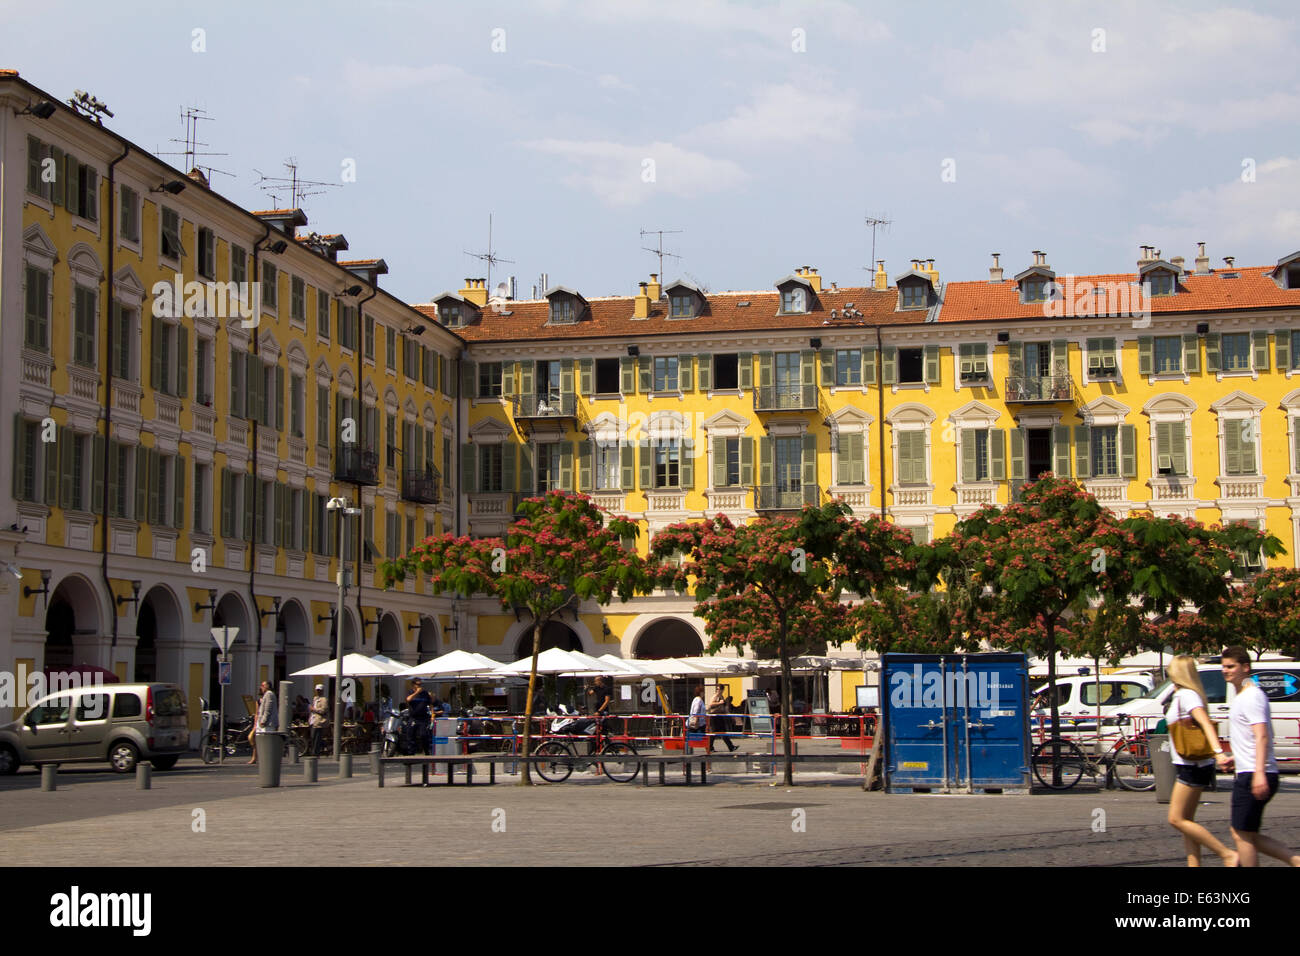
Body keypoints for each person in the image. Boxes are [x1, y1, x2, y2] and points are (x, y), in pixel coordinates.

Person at [1219, 646, 1300, 866]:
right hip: (1248, 770)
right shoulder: (1244, 695)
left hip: (1253, 774)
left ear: (1245, 667)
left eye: (1231, 666)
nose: (1226, 671)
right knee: (1246, 833)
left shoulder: (1251, 696)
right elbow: (1251, 739)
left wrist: (1259, 773)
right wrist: (1235, 758)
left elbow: (1262, 735)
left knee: (1242, 834)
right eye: (1224, 667)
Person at [1163, 655, 1235, 867]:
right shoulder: (1182, 694)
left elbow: (1205, 723)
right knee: (1187, 821)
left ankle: (1227, 854)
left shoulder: (1187, 695)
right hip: (1190, 764)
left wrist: (1218, 752)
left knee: (1176, 819)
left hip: (1192, 766)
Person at [248, 680, 277, 766]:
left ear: (268, 686)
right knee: (261, 741)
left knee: (266, 742)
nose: (261, 687)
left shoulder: (269, 694)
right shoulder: (267, 695)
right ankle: (264, 759)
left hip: (267, 724)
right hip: (263, 723)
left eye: (263, 685)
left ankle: (267, 760)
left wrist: (263, 721)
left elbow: (268, 709)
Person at [707, 685, 738, 753]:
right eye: (717, 689)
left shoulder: (721, 697)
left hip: (720, 715)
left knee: (722, 731)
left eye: (719, 689)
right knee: (714, 732)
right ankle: (710, 747)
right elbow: (711, 704)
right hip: (714, 716)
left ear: (722, 690)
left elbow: (724, 708)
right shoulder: (715, 696)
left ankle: (731, 747)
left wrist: (730, 715)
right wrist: (719, 703)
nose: (718, 691)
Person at [406, 678, 432, 755]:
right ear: (413, 685)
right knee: (410, 734)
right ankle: (411, 752)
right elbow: (408, 699)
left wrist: (432, 715)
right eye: (418, 684)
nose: (420, 686)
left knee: (423, 734)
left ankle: (426, 750)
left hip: (423, 717)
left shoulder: (425, 693)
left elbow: (430, 704)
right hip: (413, 717)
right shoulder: (410, 692)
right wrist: (416, 693)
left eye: (421, 685)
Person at [308, 684, 329, 757]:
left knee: (316, 737)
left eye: (319, 690)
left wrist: (314, 709)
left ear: (322, 691)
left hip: (319, 721)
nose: (318, 692)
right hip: (313, 720)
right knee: (312, 737)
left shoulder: (324, 699)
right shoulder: (315, 698)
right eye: (317, 690)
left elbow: (323, 710)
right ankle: (315, 751)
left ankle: (315, 753)